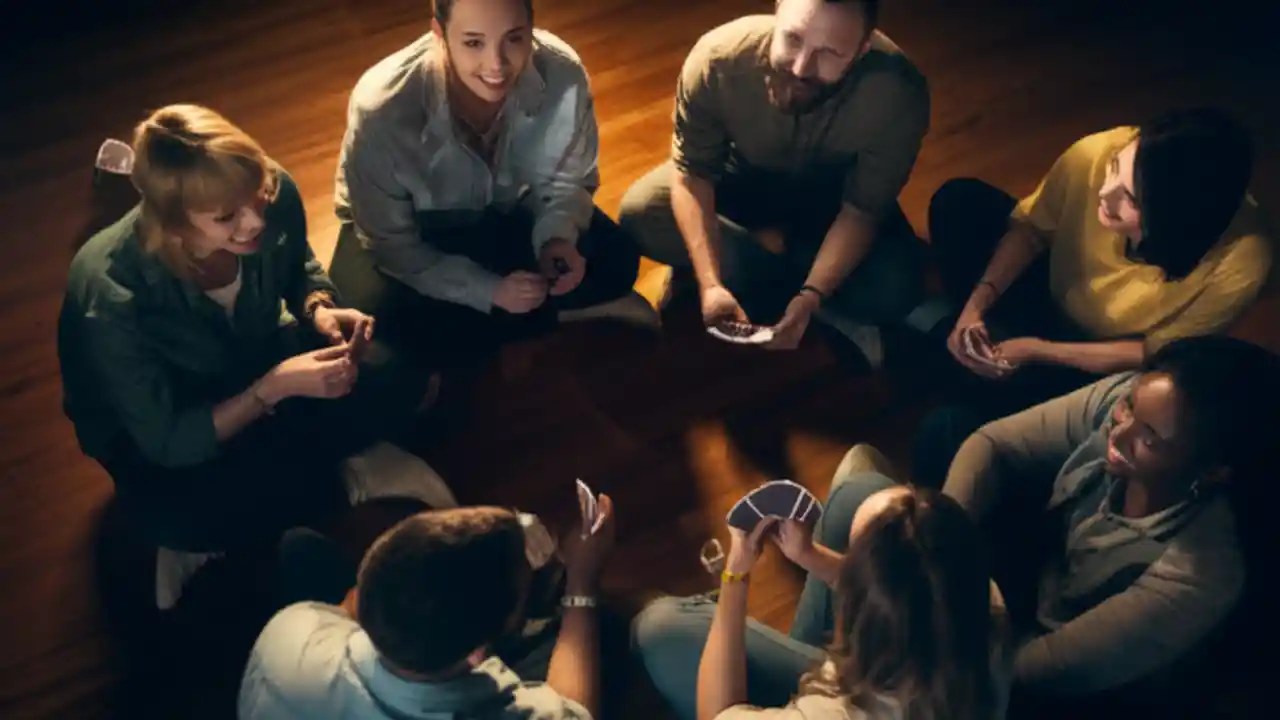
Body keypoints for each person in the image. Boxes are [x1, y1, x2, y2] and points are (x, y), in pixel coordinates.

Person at [58, 104, 449, 560]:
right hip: (170, 423)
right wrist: (272, 390)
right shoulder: (109, 290)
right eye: (226, 218)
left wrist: (317, 307)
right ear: (174, 223)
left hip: (253, 362)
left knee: (400, 375)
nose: (255, 220)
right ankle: (333, 474)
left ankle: (294, 483)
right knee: (177, 514)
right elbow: (166, 438)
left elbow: (299, 268)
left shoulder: (271, 190)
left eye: (256, 195)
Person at [914, 108, 1273, 486]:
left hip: (1099, 357)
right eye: (1117, 167)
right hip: (1052, 288)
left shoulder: (1242, 259)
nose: (1106, 191)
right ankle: (964, 340)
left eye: (1131, 199)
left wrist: (1037, 349)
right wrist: (976, 304)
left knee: (965, 407)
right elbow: (1034, 229)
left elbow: (1154, 353)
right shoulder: (1096, 153)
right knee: (959, 201)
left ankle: (963, 363)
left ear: (1174, 222)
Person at [941, 335, 1279, 704]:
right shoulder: (1136, 401)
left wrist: (944, 655)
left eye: (1149, 439)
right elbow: (992, 443)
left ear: (1213, 472)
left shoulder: (1202, 572)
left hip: (1079, 665)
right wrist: (933, 542)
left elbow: (1049, 665)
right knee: (947, 430)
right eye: (1129, 408)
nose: (1118, 435)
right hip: (1051, 566)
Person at [331, 0, 651, 375]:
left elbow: (567, 184)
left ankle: (480, 338)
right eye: (473, 43)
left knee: (617, 258)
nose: (497, 65)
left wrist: (555, 240)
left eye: (514, 39)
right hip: (418, 231)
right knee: (370, 320)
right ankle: (546, 317)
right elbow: (391, 243)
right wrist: (488, 290)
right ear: (439, 33)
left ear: (532, 27)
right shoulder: (382, 106)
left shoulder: (563, 73)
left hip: (505, 211)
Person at [618, 0, 930, 366]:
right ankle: (798, 281)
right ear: (777, 11)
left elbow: (862, 209)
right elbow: (693, 174)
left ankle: (769, 274)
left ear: (862, 50)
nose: (801, 67)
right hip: (739, 177)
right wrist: (710, 282)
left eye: (829, 53)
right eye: (793, 38)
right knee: (641, 213)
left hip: (830, 199)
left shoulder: (899, 94)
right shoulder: (718, 57)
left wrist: (812, 295)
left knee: (897, 289)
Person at [634, 445, 1010, 720]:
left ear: (856, 618)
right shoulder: (979, 599)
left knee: (658, 628)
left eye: (855, 556)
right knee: (860, 487)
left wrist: (736, 573)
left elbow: (718, 713)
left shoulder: (826, 713)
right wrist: (808, 556)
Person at [239, 500, 617, 719]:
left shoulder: (292, 629)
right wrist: (582, 583)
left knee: (300, 548)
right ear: (480, 650)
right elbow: (576, 713)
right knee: (607, 631)